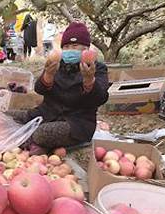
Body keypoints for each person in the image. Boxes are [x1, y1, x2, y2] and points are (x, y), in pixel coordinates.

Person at [6, 22, 109, 152]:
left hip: (76, 123)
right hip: (46, 114)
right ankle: (28, 139)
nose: (69, 50)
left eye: (75, 46)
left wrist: (89, 80)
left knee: (42, 133)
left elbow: (101, 98)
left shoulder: (97, 68)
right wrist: (48, 74)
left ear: (86, 49)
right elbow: (39, 89)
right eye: (66, 46)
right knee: (6, 116)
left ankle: (25, 139)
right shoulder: (57, 64)